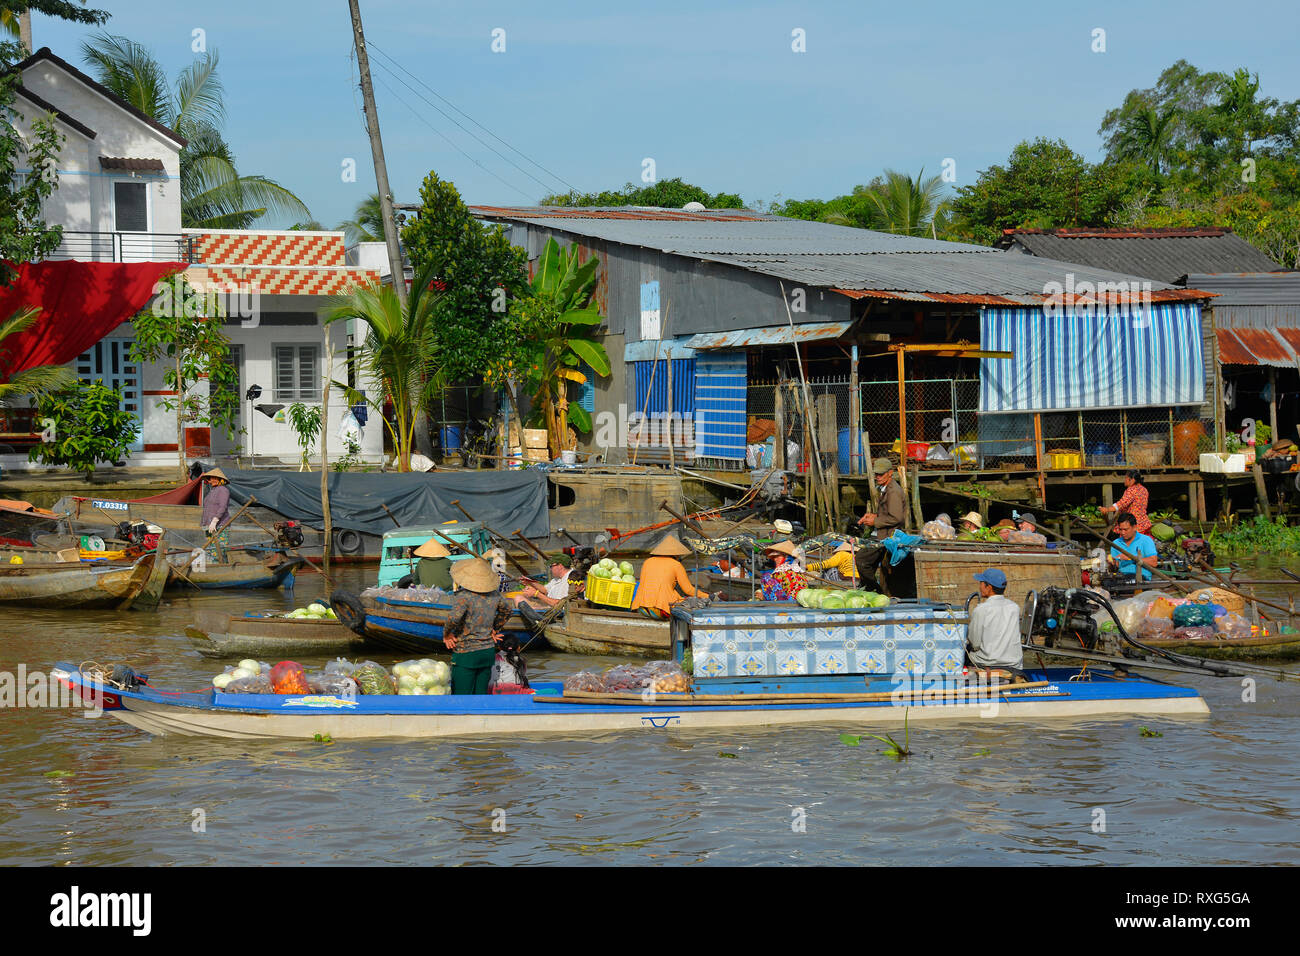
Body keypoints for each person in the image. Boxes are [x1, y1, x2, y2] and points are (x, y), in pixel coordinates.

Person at [444, 557, 513, 695]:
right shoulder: (495, 595)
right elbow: (507, 610)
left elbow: (453, 618)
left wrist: (447, 634)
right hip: (487, 652)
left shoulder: (464, 596)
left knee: (462, 697)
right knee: (480, 696)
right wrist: (495, 629)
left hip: (466, 653)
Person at [854, 457, 908, 591]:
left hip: (887, 537)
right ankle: (868, 589)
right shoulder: (886, 488)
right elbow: (888, 514)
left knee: (861, 559)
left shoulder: (893, 491)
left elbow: (897, 518)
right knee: (868, 563)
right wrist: (873, 516)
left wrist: (875, 521)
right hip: (882, 533)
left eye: (881, 474)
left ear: (890, 473)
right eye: (876, 474)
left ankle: (875, 590)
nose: (878, 477)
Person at [631, 533, 712, 619]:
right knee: (689, 602)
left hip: (641, 607)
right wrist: (709, 596)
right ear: (676, 554)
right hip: (661, 609)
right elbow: (688, 590)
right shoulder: (676, 564)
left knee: (678, 596)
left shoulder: (647, 562)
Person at [966, 568, 1024, 674]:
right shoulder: (1014, 607)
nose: (980, 586)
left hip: (986, 663)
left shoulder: (981, 609)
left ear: (989, 587)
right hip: (1013, 663)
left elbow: (975, 643)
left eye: (981, 583)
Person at [1108, 512, 1158, 582]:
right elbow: (1115, 568)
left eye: (1125, 529)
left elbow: (1154, 562)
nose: (1122, 533)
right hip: (1121, 577)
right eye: (1120, 529)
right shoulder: (1115, 543)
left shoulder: (1146, 540)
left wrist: (1130, 558)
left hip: (1141, 577)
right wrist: (1111, 564)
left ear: (1134, 527)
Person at [1100, 470, 1151, 534]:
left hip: (1134, 526)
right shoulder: (1144, 489)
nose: (1124, 480)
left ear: (1132, 480)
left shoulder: (1131, 490)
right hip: (1144, 524)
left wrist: (1107, 509)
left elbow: (1122, 504)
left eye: (1126, 478)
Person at [200, 467, 231, 562]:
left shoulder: (223, 490)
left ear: (221, 480)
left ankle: (222, 568)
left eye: (215, 478)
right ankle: (214, 567)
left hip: (220, 525)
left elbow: (223, 507)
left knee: (219, 550)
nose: (212, 480)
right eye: (210, 478)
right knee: (211, 549)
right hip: (209, 526)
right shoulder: (212, 491)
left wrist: (215, 520)